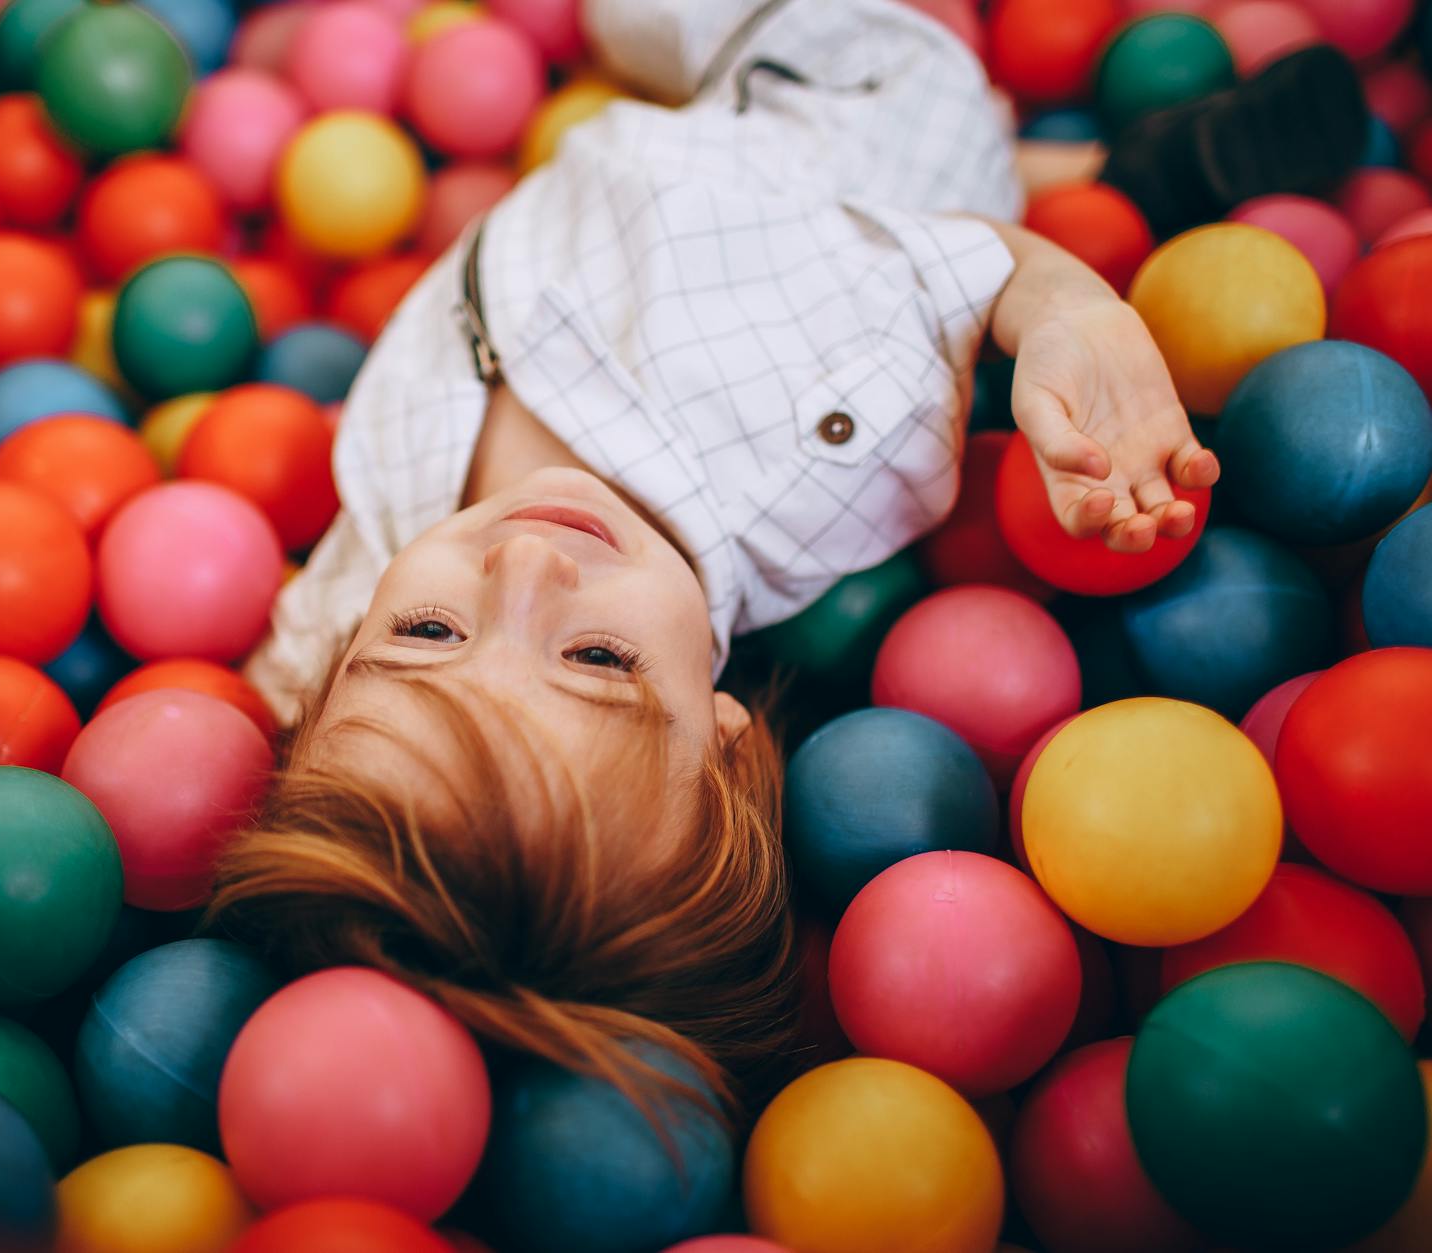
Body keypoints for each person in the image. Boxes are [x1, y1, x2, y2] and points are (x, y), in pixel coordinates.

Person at [211, 0, 1368, 1121]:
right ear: (723, 733)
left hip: (647, 159)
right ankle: (1121, 180)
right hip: (846, 127)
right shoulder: (811, 463)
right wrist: (1066, 306)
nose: (522, 571)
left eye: (422, 636)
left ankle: (1104, 171)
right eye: (601, 659)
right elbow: (951, 277)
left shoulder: (349, 593)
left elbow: (287, 677)